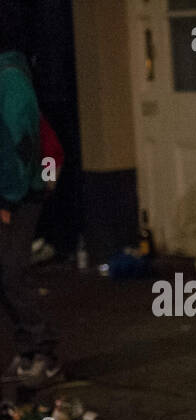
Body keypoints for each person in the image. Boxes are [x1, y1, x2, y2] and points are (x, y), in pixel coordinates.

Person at [0, 40, 59, 390]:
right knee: (5, 274)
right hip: (12, 189)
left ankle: (45, 354)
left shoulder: (10, 81)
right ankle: (28, 352)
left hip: (19, 193)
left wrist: (7, 201)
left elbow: (17, 146)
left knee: (11, 272)